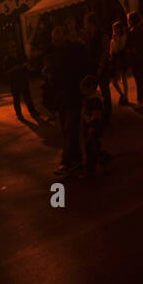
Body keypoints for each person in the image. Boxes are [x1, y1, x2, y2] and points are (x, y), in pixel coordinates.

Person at [47, 21, 91, 178]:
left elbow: (78, 70)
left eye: (57, 39)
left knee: (70, 129)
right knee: (69, 129)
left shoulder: (69, 51)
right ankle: (74, 160)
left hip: (71, 94)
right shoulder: (60, 53)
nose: (55, 42)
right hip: (65, 96)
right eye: (54, 39)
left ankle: (70, 162)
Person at [78, 75, 111, 176]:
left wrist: (92, 128)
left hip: (93, 127)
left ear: (90, 88)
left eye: (84, 89)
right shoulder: (91, 98)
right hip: (91, 126)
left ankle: (90, 169)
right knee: (95, 146)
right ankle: (104, 158)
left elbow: (96, 115)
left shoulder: (94, 101)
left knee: (90, 148)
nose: (82, 92)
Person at [6, 49, 41, 123]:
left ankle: (32, 111)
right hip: (14, 81)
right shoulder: (7, 59)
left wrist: (28, 68)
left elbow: (26, 65)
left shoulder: (20, 56)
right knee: (16, 98)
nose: (14, 50)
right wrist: (18, 67)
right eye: (12, 48)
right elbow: (7, 71)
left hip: (23, 79)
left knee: (27, 96)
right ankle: (19, 113)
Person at [125, 10, 143, 104]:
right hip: (133, 57)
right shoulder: (130, 30)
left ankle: (140, 97)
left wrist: (136, 49)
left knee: (139, 77)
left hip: (139, 56)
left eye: (128, 19)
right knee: (137, 77)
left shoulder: (139, 29)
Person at [108, 19, 130, 106]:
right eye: (114, 29)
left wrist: (116, 40)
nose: (115, 31)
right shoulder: (112, 40)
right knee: (114, 81)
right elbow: (111, 51)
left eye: (117, 29)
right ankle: (122, 95)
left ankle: (125, 96)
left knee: (123, 78)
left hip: (122, 59)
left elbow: (121, 47)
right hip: (115, 60)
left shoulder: (123, 37)